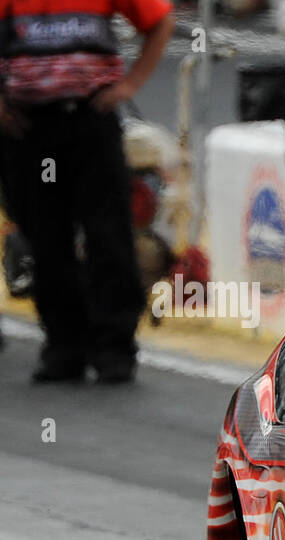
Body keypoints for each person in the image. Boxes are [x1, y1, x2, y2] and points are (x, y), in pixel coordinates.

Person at [0, 0, 174, 384]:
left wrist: (129, 85)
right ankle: (64, 346)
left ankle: (114, 347)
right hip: (29, 129)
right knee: (44, 240)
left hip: (91, 121)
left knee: (108, 234)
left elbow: (160, 22)